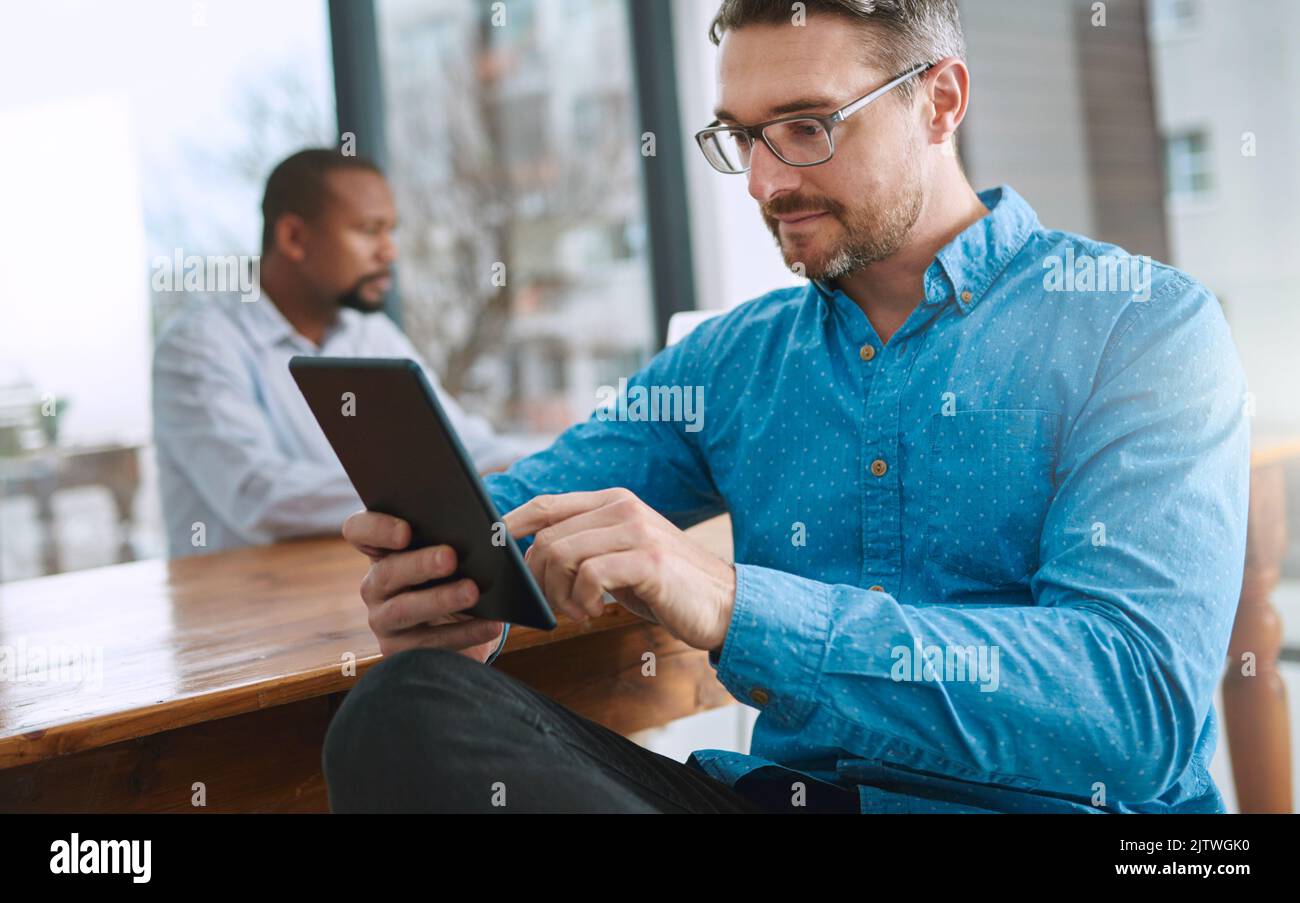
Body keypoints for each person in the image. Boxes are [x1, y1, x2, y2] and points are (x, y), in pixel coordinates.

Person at [322, 0, 1250, 813]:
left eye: (808, 127)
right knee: (406, 710)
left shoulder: (1140, 324)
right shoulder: (734, 361)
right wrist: (449, 581)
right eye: (742, 137)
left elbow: (1134, 711)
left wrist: (737, 604)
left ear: (941, 101)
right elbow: (519, 510)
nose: (766, 184)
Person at [153, 149, 527, 559]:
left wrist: (545, 468)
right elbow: (260, 498)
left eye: (391, 231)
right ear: (294, 238)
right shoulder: (198, 344)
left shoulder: (371, 335)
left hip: (345, 584)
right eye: (369, 230)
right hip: (236, 597)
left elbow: (464, 444)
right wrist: (446, 485)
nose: (389, 252)